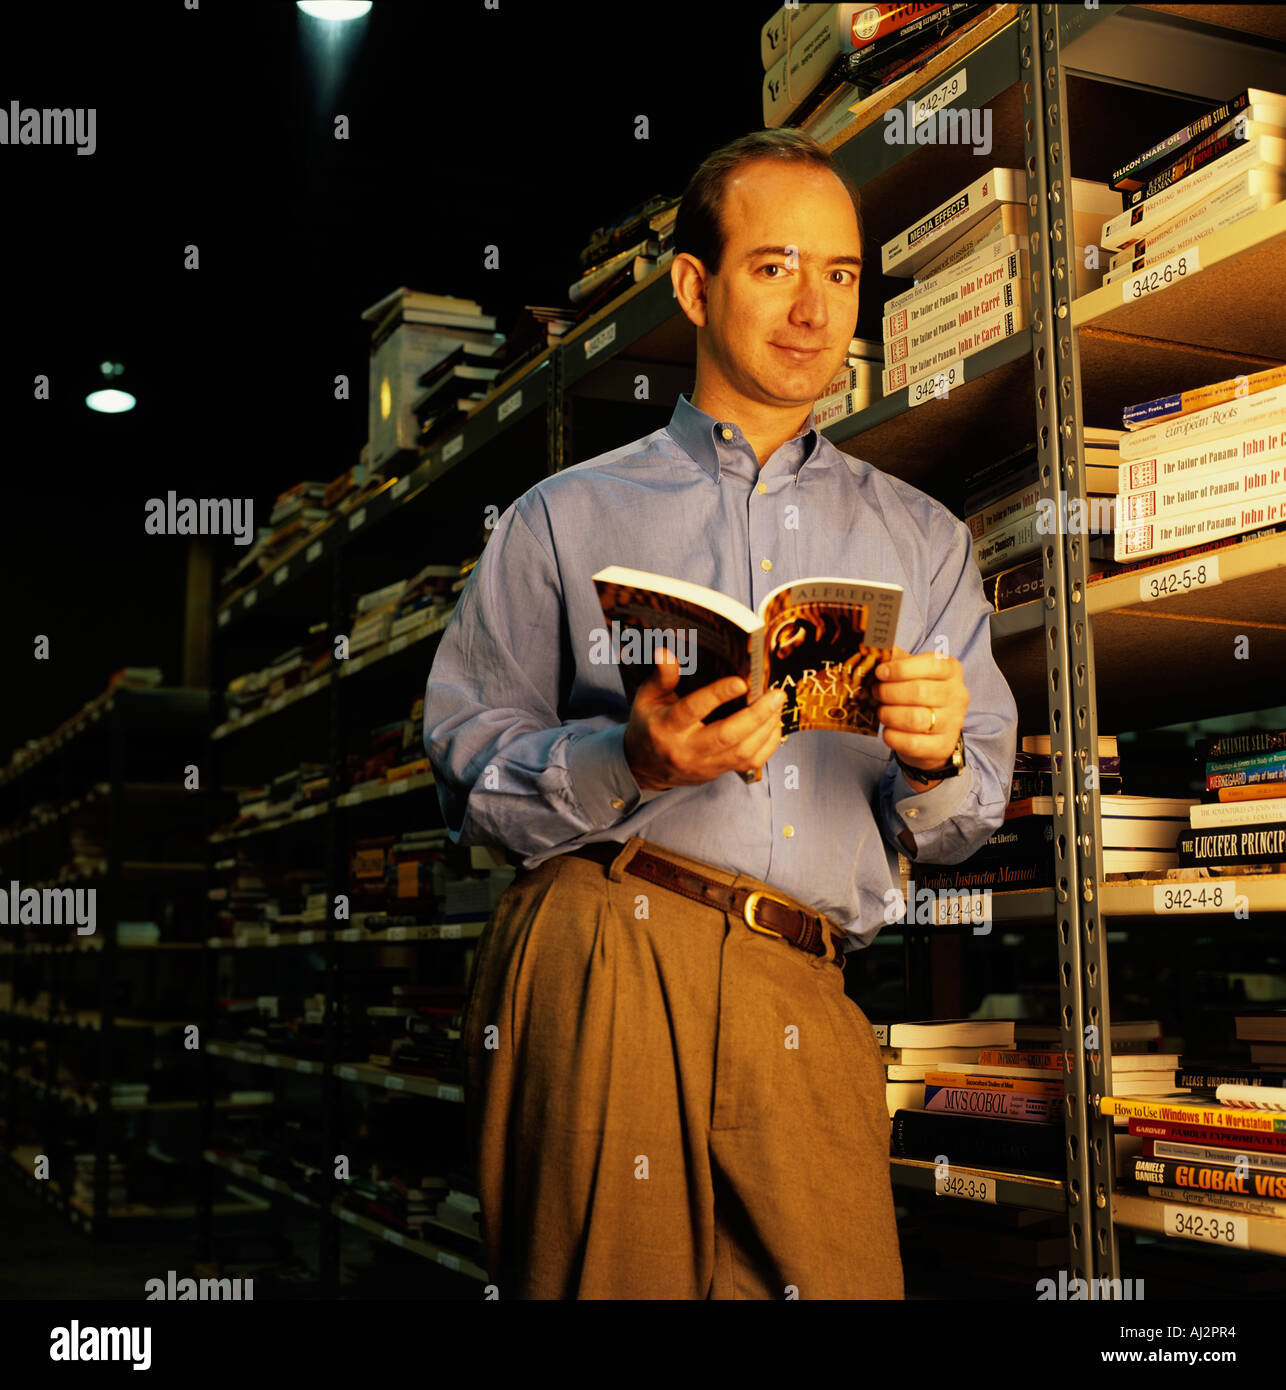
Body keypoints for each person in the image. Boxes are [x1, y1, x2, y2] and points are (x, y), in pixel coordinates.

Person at [423, 128, 1018, 1300]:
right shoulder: (559, 517)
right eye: (773, 266)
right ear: (695, 285)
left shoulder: (922, 540)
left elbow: (962, 820)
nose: (813, 309)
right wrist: (628, 759)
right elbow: (464, 775)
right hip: (604, 959)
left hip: (803, 983)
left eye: (839, 275)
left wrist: (940, 752)